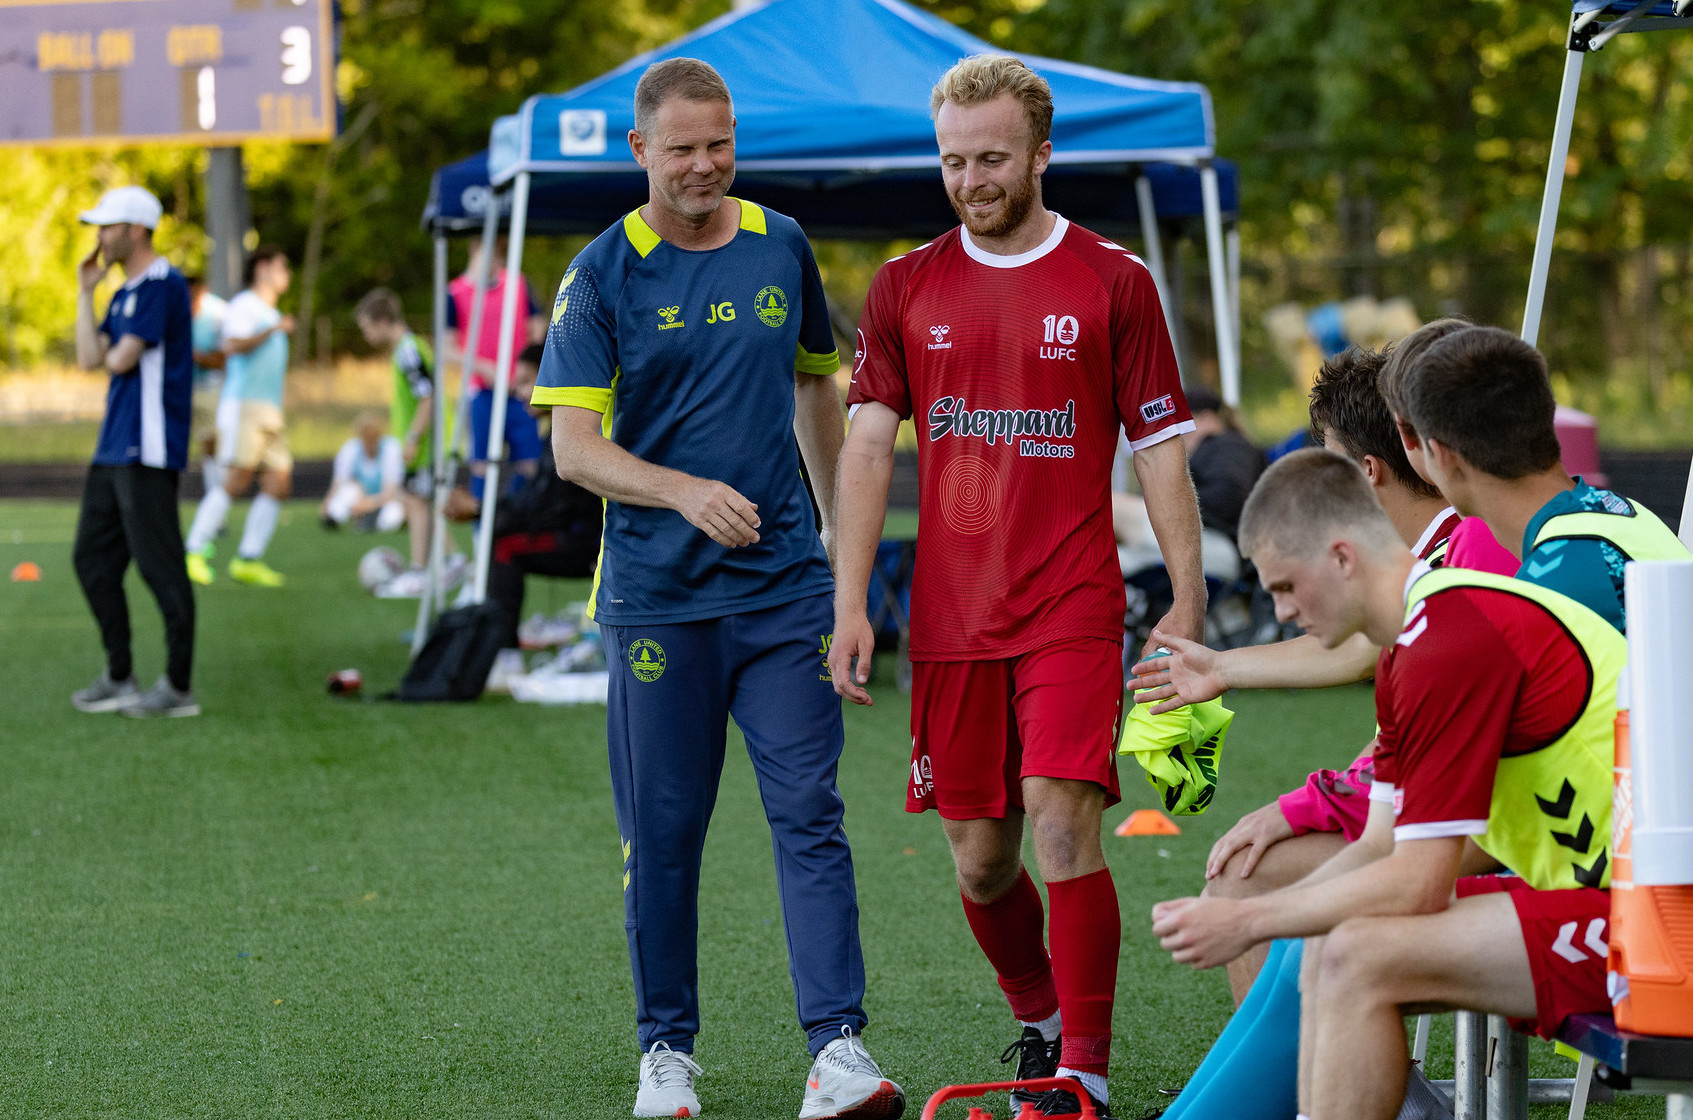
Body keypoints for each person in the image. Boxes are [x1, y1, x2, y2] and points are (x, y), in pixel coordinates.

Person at [1134, 324, 1688, 1120]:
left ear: (1428, 455)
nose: (1280, 615)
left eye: (1284, 589)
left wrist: (1248, 914)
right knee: (1338, 943)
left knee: (1349, 948)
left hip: (1660, 915)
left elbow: (1417, 870)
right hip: (1622, 887)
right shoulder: (1449, 609)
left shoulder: (1471, 615)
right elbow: (1383, 836)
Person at [831, 55, 1205, 1118]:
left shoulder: (1112, 280)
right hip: (950, 617)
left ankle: (1080, 1069)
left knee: (1059, 822)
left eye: (990, 159)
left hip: (1071, 605)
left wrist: (1186, 599)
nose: (970, 180)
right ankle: (1039, 1019)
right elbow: (867, 449)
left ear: (1042, 154)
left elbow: (1160, 449)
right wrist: (849, 602)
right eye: (953, 161)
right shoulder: (904, 284)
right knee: (981, 861)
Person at [532, 58, 902, 1120]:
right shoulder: (600, 273)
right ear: (640, 150)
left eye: (719, 144)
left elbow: (817, 389)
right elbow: (572, 448)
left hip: (784, 594)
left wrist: (837, 548)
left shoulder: (782, 242)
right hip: (657, 603)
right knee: (664, 836)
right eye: (682, 148)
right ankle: (665, 1055)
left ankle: (837, 1052)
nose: (704, 165)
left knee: (811, 813)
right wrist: (683, 490)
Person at [69, 185, 199, 718]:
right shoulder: (123, 292)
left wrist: (112, 350)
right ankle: (120, 674)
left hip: (147, 446)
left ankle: (178, 687)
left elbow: (120, 359)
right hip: (114, 446)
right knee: (91, 558)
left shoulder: (163, 285)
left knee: (159, 566)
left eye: (108, 226)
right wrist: (85, 293)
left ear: (137, 229)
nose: (100, 237)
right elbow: (88, 357)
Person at [182, 245, 295, 587]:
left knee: (278, 481)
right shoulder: (246, 306)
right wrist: (272, 331)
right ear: (262, 268)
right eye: (282, 267)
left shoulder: (270, 312)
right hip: (244, 405)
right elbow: (231, 345)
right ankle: (194, 550)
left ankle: (248, 558)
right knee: (236, 479)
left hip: (268, 409)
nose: (287, 275)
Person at [486, 343, 601, 649]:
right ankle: (494, 639)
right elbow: (537, 501)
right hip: (579, 534)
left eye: (526, 381)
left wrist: (481, 510)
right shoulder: (552, 430)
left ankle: (502, 652)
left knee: (504, 548)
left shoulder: (573, 433)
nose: (518, 392)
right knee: (499, 535)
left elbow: (551, 509)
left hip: (589, 542)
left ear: (551, 376)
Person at [354, 287, 444, 573]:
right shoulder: (409, 348)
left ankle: (425, 567)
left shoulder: (407, 351)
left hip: (426, 443)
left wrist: (413, 437)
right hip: (426, 441)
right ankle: (437, 563)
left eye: (367, 327)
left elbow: (427, 396)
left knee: (417, 501)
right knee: (418, 501)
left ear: (382, 322)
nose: (366, 335)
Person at [320, 412, 407, 533]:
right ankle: (336, 518)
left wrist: (368, 505)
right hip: (360, 499)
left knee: (392, 517)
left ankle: (374, 521)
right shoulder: (350, 449)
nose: (369, 441)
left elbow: (391, 491)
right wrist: (327, 503)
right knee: (348, 491)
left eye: (373, 436)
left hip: (383, 501)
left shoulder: (391, 449)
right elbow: (339, 483)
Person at [187, 276, 228, 496]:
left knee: (212, 442)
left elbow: (224, 357)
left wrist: (199, 358)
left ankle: (216, 493)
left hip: (210, 387)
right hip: (183, 388)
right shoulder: (174, 310)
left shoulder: (217, 314)